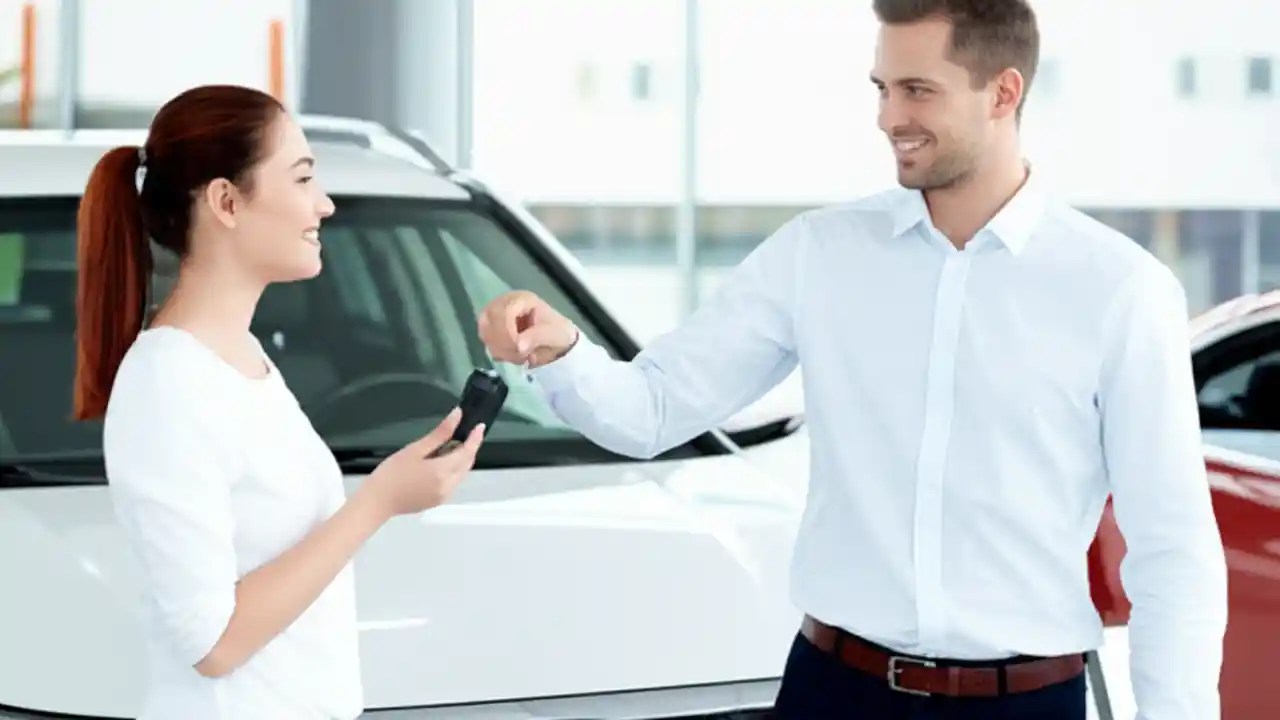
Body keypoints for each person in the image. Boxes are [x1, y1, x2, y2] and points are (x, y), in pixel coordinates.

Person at [477, 1, 1228, 718]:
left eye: (917, 91)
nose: (889, 117)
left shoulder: (1119, 290)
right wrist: (560, 348)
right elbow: (654, 408)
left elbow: (1172, 550)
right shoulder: (819, 255)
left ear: (1003, 93)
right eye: (882, 88)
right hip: (835, 692)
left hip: (1024, 706)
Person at [73, 84, 484, 720]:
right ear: (226, 201)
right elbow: (211, 641)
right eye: (302, 179)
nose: (322, 205)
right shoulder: (168, 383)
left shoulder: (243, 358)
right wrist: (377, 502)